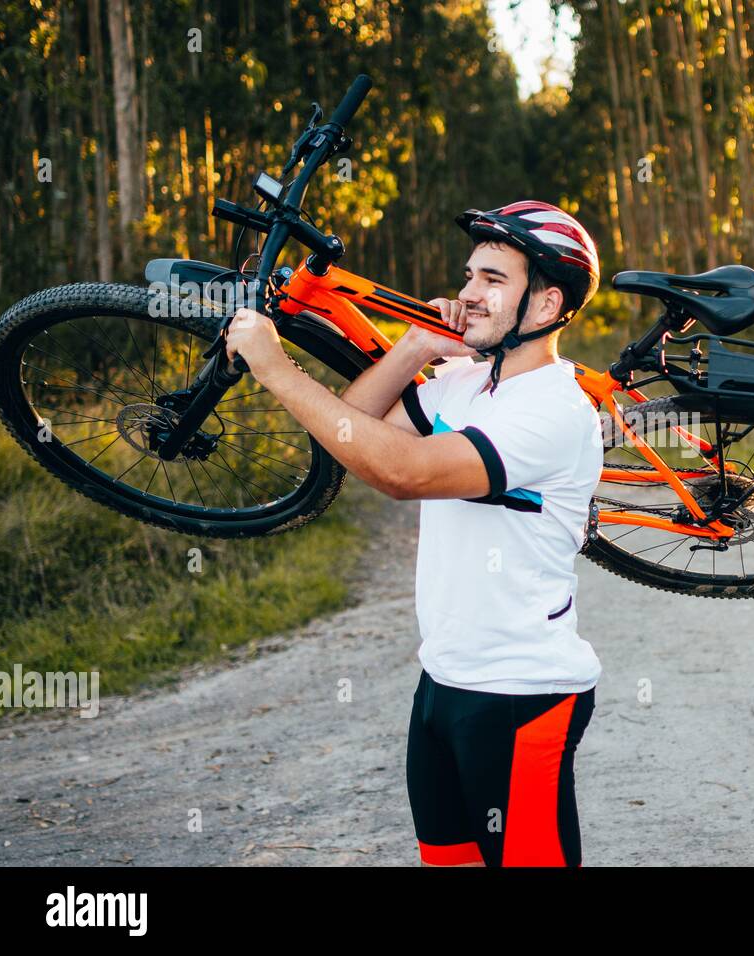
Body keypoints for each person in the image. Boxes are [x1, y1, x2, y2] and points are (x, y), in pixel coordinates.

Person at [223, 199, 605, 867]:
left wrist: (276, 369)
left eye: (493, 280)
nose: (467, 294)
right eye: (469, 276)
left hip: (521, 698)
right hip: (443, 685)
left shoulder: (554, 409)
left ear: (545, 307)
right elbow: (351, 430)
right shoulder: (463, 382)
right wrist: (416, 345)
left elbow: (403, 471)